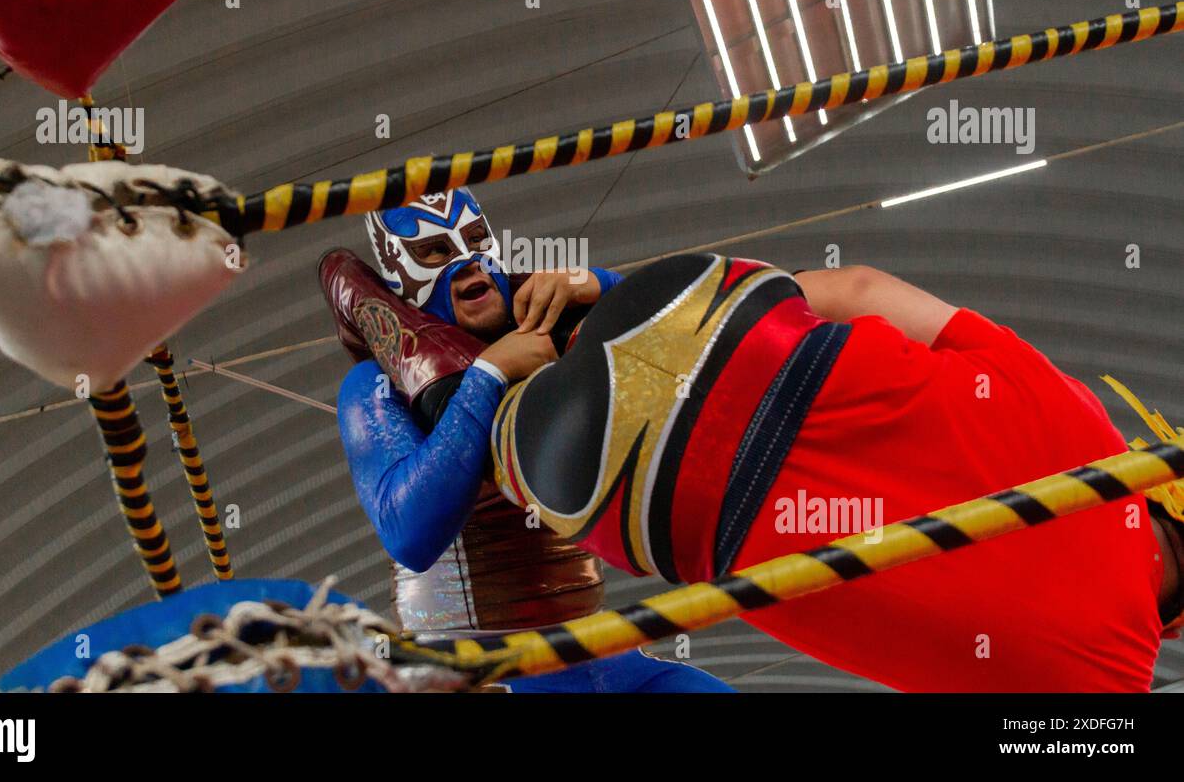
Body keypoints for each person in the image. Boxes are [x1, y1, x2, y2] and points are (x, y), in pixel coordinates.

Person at [491, 251, 1184, 691]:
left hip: (715, 317)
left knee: (544, 313)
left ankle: (574, 302)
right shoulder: (1109, 683)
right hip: (642, 491)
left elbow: (858, 287)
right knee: (469, 422)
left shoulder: (1084, 417)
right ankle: (456, 389)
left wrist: (635, 294)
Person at [327, 188, 732, 692]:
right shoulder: (375, 384)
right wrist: (488, 375)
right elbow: (408, 531)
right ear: (398, 283)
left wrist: (600, 284)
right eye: (435, 251)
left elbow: (706, 341)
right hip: (474, 664)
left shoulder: (550, 335)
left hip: (591, 648)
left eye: (477, 240)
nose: (469, 263)